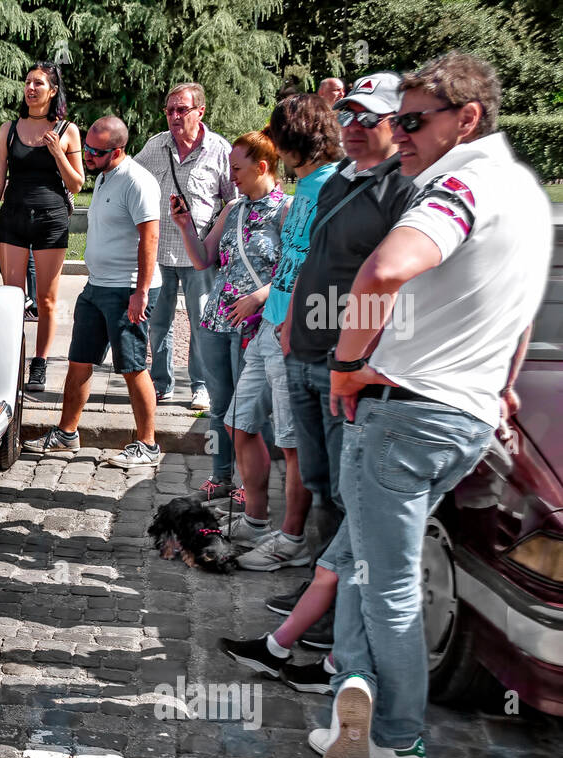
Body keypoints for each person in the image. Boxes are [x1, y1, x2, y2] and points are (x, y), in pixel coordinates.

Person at [313, 52, 552, 758]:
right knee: (364, 559)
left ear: (468, 117)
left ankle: (397, 735)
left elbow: (384, 270)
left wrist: (348, 365)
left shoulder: (462, 181)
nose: (401, 133)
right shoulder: (528, 194)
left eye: (414, 120)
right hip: (468, 416)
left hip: (405, 411)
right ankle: (351, 683)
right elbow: (519, 323)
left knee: (386, 580)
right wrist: (502, 389)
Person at [219, 72, 417, 692]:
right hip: (299, 347)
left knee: (342, 490)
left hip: (341, 363)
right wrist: (287, 324)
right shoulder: (341, 183)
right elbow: (307, 264)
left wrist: (350, 359)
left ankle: (334, 626)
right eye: (348, 117)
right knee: (326, 481)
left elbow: (387, 282)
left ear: (398, 125)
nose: (354, 127)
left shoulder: (400, 189)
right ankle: (321, 597)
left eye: (370, 118)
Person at [219, 94, 343, 572]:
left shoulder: (330, 186)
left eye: (279, 135)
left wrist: (293, 323)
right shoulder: (310, 184)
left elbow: (323, 265)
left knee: (292, 443)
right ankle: (255, 519)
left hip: (296, 331)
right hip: (271, 324)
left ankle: (292, 539)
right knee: (238, 422)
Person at [22, 115, 163, 468]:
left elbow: (150, 238)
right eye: (86, 148)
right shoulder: (103, 177)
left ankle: (148, 444)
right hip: (96, 286)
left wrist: (141, 291)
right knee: (79, 362)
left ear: (118, 151)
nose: (86, 156)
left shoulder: (137, 181)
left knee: (131, 367)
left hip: (127, 288)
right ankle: (67, 433)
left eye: (95, 152)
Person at [171, 132, 288, 504]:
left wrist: (259, 297)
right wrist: (185, 226)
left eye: (237, 168)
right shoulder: (233, 210)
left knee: (251, 411)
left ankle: (249, 486)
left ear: (262, 167)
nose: (231, 175)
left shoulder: (288, 210)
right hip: (216, 321)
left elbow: (294, 270)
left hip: (254, 325)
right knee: (220, 407)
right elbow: (204, 259)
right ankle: (220, 477)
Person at [0, 61, 84, 393]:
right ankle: (12, 360)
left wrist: (58, 153)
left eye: (38, 83)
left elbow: (78, 183)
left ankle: (39, 364)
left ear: (53, 91)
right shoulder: (8, 129)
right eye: (27, 82)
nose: (30, 88)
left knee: (47, 299)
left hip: (51, 221)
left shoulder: (68, 130)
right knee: (13, 298)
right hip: (12, 218)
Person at [135, 82, 236, 413]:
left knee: (201, 321)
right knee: (158, 322)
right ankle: (161, 383)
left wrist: (221, 240)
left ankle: (202, 385)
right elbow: (131, 177)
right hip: (160, 250)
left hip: (200, 254)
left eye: (182, 109)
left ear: (200, 111)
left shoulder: (220, 150)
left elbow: (234, 202)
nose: (174, 116)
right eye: (169, 110)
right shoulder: (156, 146)